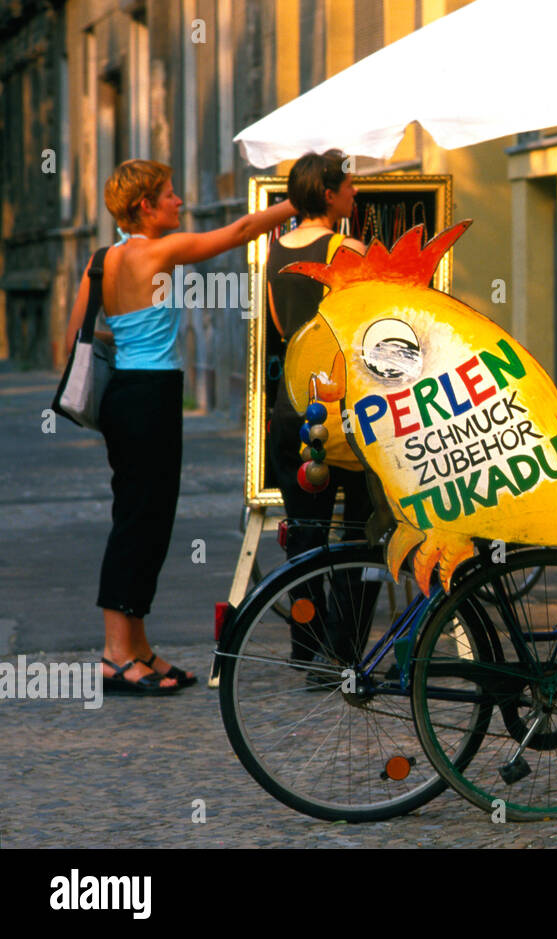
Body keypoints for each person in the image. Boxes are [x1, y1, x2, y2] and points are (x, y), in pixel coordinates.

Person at [65, 159, 297, 694]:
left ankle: (138, 646)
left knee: (143, 517)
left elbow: (81, 332)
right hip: (151, 398)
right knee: (139, 522)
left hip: (126, 395)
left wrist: (129, 340)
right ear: (145, 205)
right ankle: (115, 655)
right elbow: (238, 232)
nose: (180, 202)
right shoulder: (159, 250)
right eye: (170, 194)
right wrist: (296, 204)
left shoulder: (102, 260)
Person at [265, 150, 374, 665]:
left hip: (291, 402)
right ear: (329, 194)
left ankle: (305, 648)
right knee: (360, 530)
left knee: (304, 536)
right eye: (349, 186)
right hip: (342, 403)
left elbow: (279, 327)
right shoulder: (345, 247)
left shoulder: (274, 250)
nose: (355, 193)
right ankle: (345, 650)